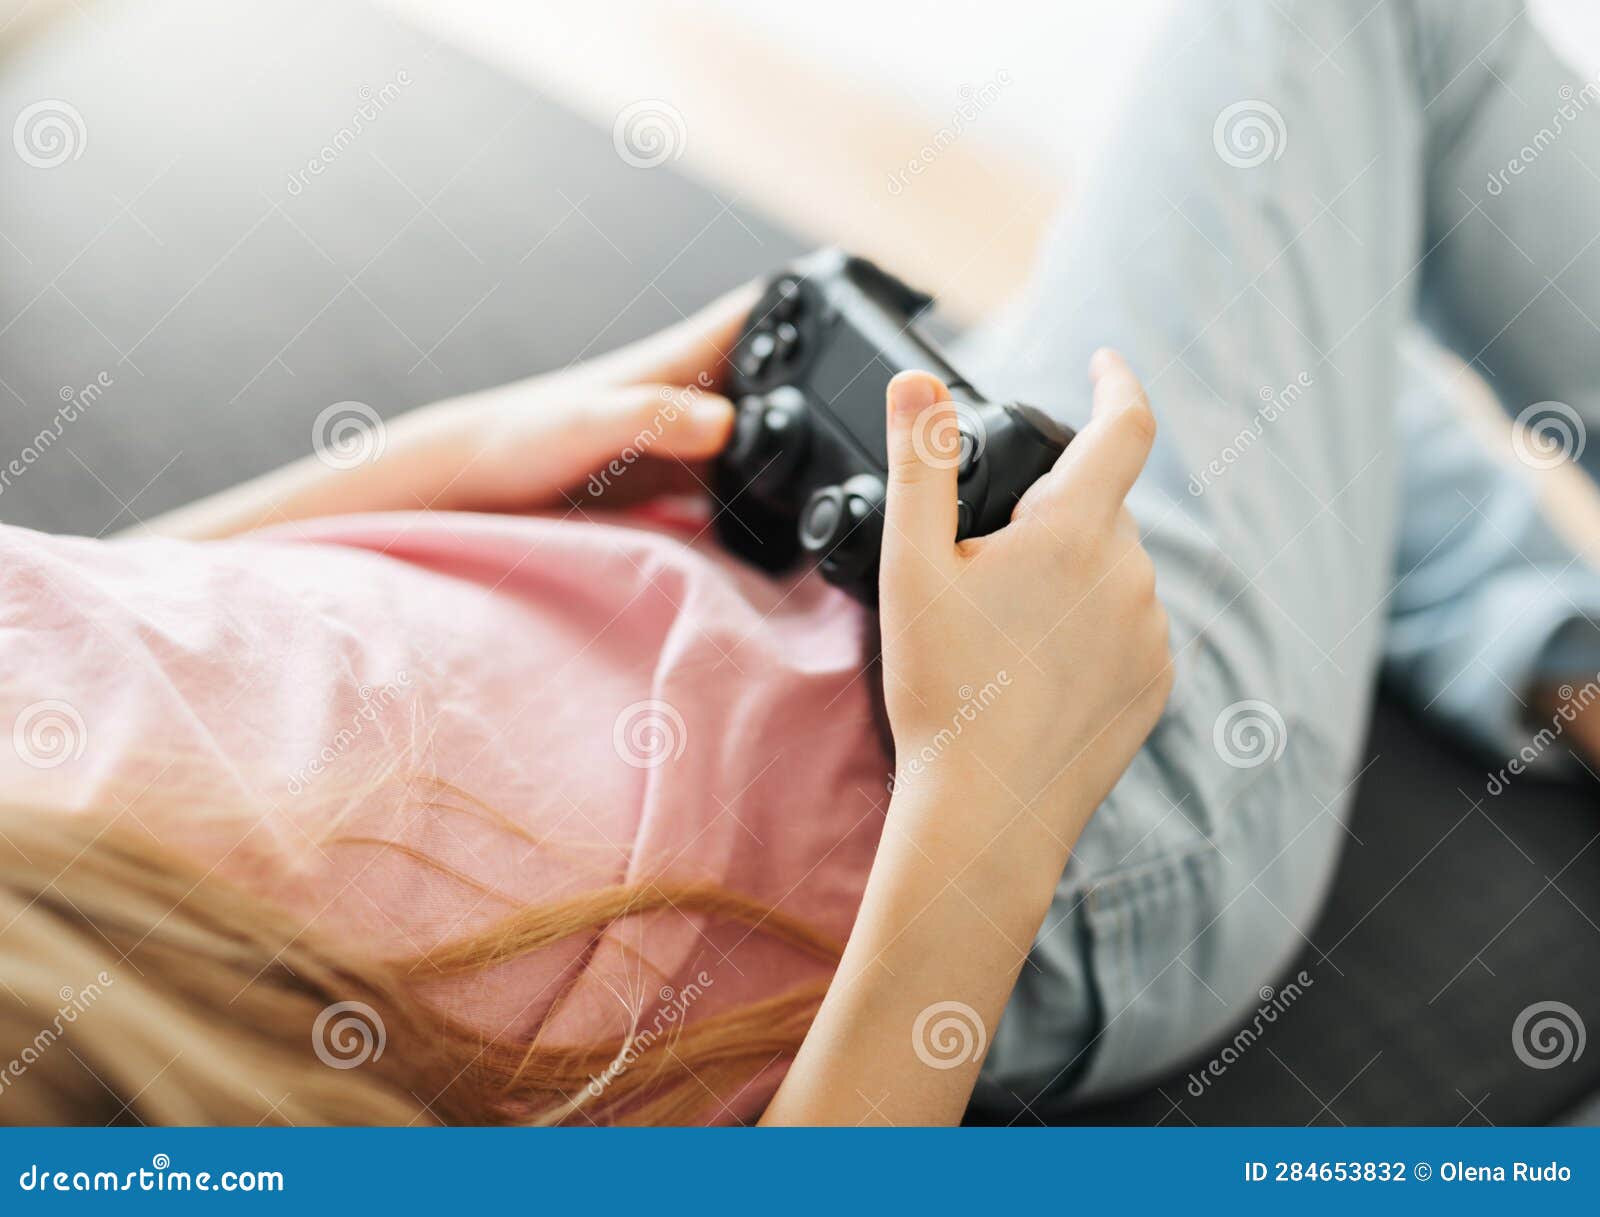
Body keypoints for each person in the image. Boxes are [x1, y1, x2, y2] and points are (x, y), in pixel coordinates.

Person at [3, 0, 1599, 1125]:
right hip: (1033, 831)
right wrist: (999, 794)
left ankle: (1538, 634)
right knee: (1362, 24)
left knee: (1282, 335)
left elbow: (91, 625)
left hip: (747, 561)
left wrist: (469, 452)